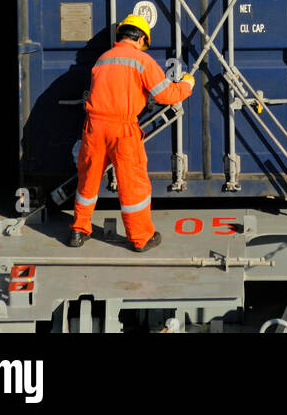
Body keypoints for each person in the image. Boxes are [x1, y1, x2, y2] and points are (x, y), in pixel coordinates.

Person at [68, 14, 195, 252]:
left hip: (93, 127)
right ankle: (140, 238)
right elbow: (166, 96)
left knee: (88, 180)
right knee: (132, 185)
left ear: (122, 35)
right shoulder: (141, 60)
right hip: (122, 129)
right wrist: (187, 84)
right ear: (142, 39)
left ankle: (78, 230)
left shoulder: (102, 59)